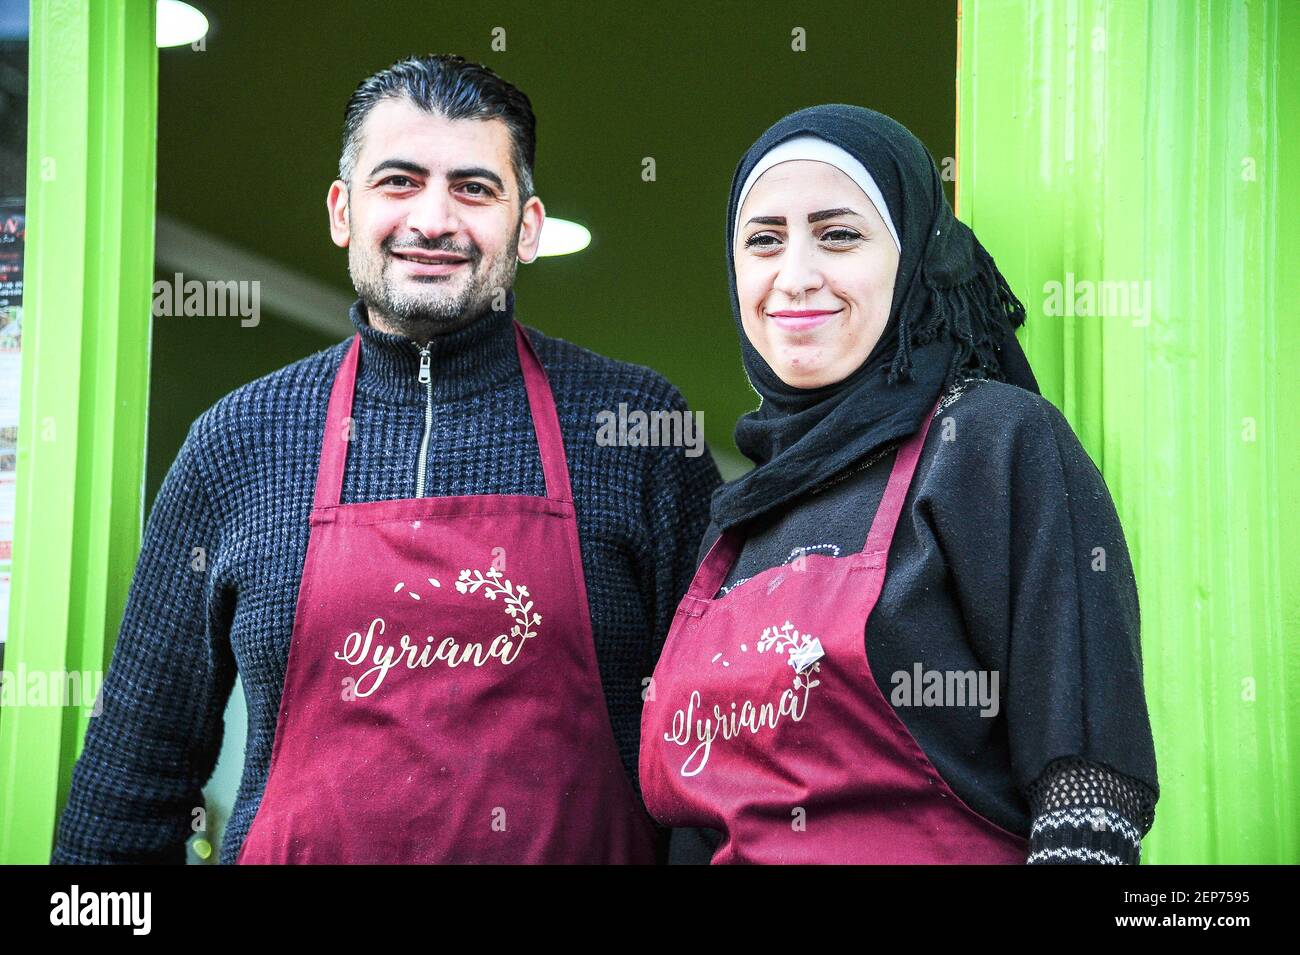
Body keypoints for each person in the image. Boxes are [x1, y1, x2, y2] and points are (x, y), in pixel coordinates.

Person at [52, 54, 720, 864]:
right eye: (398, 181)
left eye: (474, 188)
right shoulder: (239, 440)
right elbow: (132, 777)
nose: (434, 219)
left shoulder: (636, 426)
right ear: (342, 209)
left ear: (529, 225)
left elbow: (712, 760)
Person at [639, 104, 1159, 864]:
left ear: (913, 256)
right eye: (763, 241)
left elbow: (1086, 786)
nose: (797, 275)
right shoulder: (733, 522)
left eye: (839, 234)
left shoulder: (990, 441)